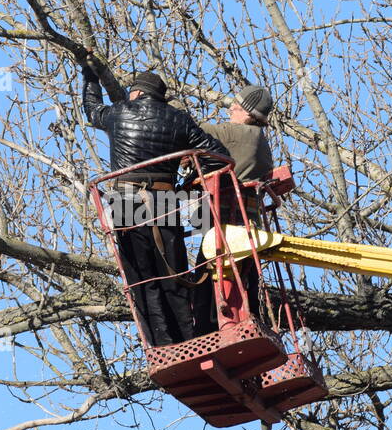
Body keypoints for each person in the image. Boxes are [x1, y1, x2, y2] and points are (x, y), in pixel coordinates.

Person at [80, 57, 230, 346]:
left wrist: (89, 73)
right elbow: (219, 157)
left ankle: (161, 345)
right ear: (159, 97)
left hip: (126, 200)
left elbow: (91, 110)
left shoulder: (118, 112)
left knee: (142, 277)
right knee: (174, 275)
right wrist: (191, 181)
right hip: (165, 200)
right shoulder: (179, 119)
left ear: (136, 92)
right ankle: (191, 342)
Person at [193, 84, 275, 336]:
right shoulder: (258, 141)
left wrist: (167, 104)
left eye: (235, 106)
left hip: (228, 222)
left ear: (248, 113)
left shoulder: (243, 135)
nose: (230, 109)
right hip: (245, 225)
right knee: (244, 280)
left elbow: (196, 131)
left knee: (206, 277)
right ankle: (250, 325)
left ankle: (207, 332)